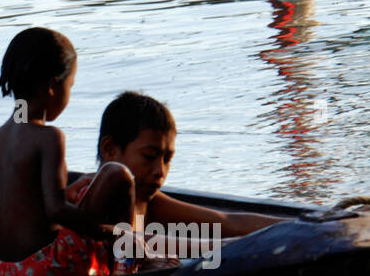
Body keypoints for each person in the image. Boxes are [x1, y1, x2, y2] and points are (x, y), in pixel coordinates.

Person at [0, 27, 133, 276]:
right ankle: (127, 266)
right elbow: (55, 210)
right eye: (70, 85)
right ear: (52, 86)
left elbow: (28, 202)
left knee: (89, 182)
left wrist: (74, 190)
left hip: (9, 273)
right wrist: (107, 231)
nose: (69, 94)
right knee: (117, 174)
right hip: (47, 267)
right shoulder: (49, 136)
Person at [68, 91, 285, 250]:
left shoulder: (147, 201)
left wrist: (297, 227)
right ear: (110, 149)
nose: (159, 171)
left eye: (167, 159)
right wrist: (234, 245)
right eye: (149, 157)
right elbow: (137, 241)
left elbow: (227, 222)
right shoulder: (96, 195)